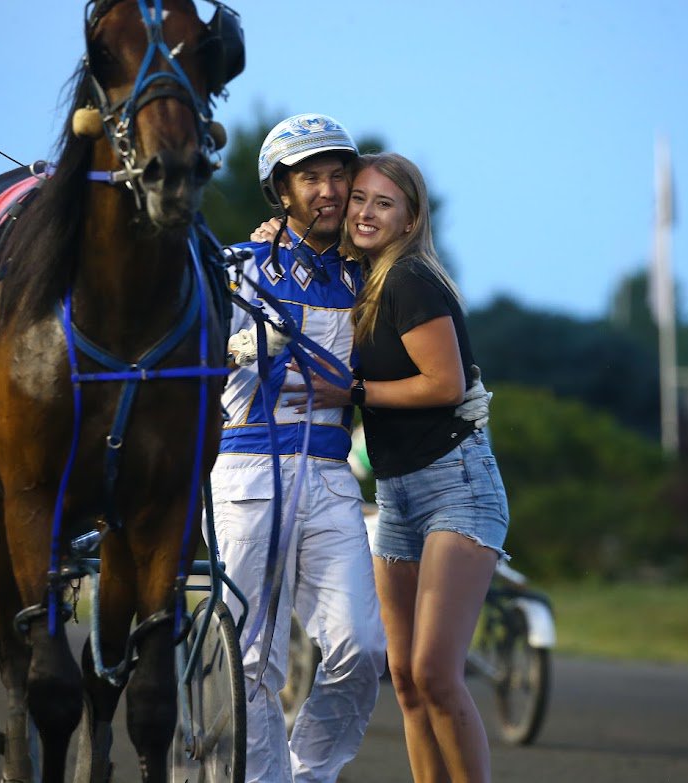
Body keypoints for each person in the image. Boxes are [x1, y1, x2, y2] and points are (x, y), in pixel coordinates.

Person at [284, 152, 510, 783]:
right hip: (396, 495)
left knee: (435, 672)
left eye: (383, 203)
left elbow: (445, 384)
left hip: (456, 487)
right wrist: (274, 232)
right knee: (405, 678)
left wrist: (353, 393)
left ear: (410, 220)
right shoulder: (361, 277)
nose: (364, 212)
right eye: (358, 198)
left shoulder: (410, 279)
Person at [211, 113, 386, 783]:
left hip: (331, 476)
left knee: (361, 648)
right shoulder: (237, 266)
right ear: (280, 191)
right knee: (252, 658)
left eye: (339, 175)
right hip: (248, 471)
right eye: (311, 177)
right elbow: (191, 361)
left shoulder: (368, 275)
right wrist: (240, 349)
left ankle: (308, 774)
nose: (329, 190)